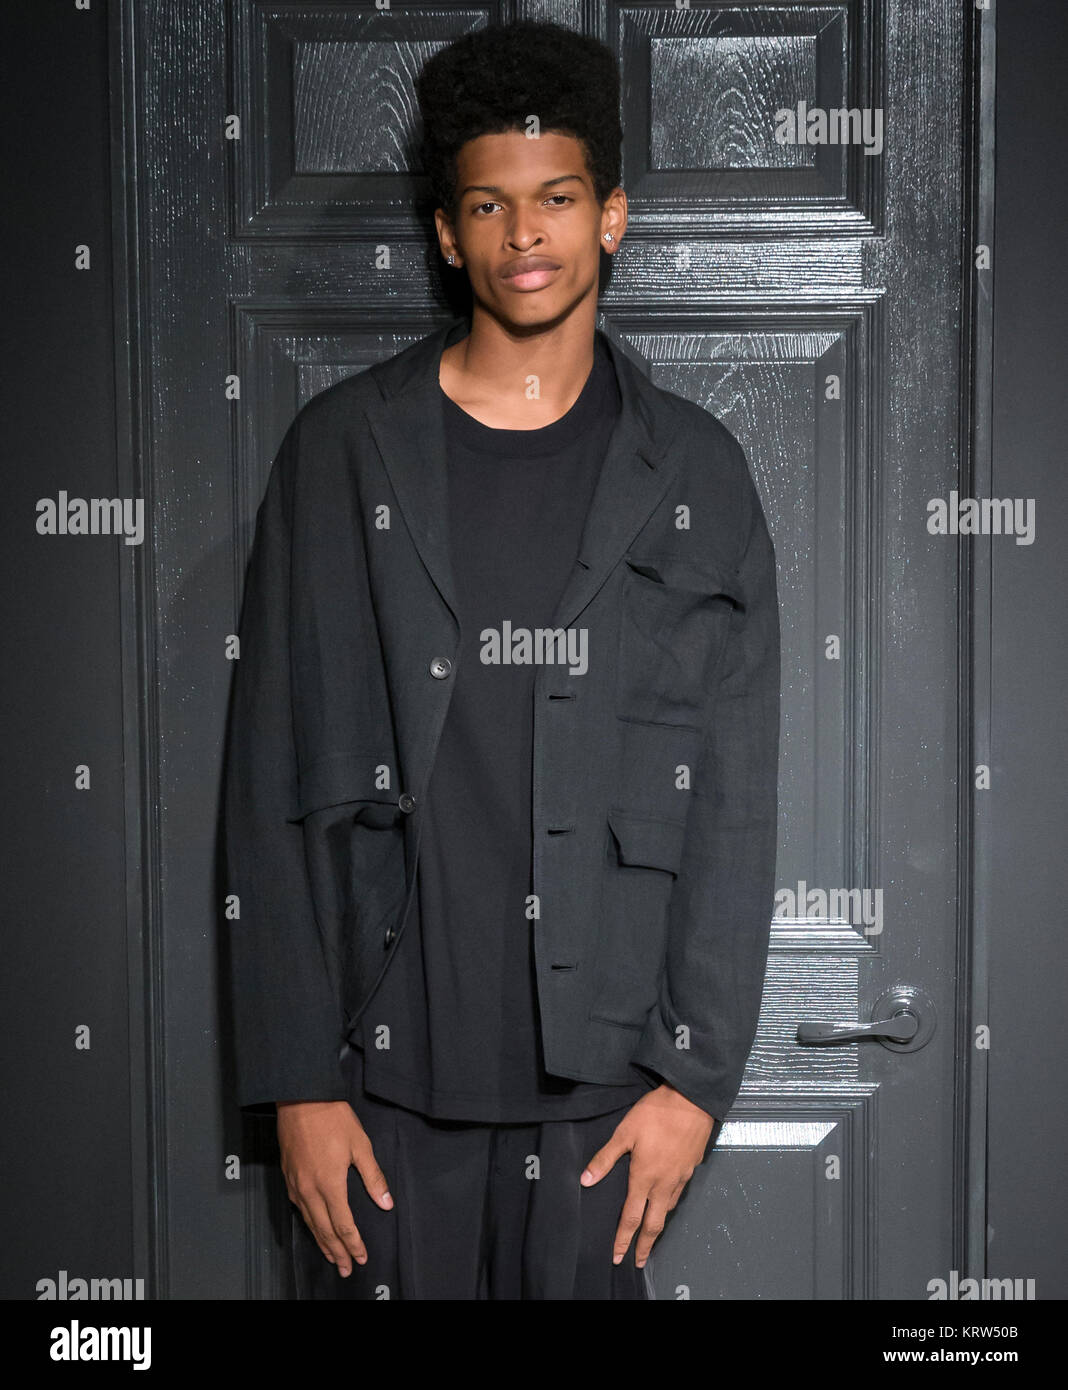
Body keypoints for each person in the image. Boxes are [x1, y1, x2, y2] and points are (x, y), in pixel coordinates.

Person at [223, 18, 780, 1301]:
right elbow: (268, 782)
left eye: (557, 199)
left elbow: (734, 803)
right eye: (489, 203)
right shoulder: (340, 454)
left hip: (600, 1109)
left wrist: (695, 1083)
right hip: (379, 1096)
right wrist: (297, 1079)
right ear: (445, 232)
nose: (524, 234)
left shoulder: (699, 475)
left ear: (612, 217)